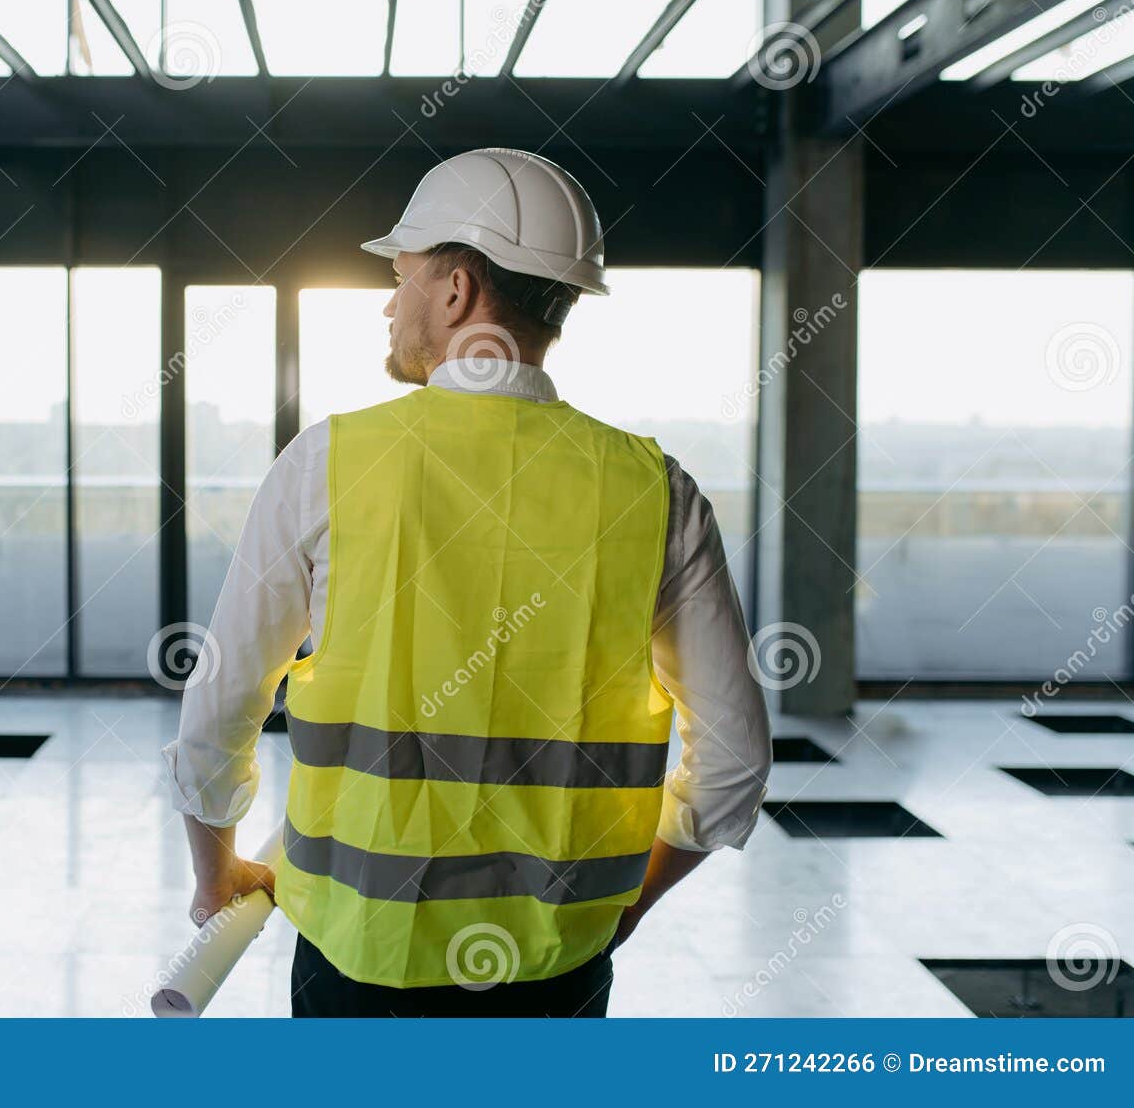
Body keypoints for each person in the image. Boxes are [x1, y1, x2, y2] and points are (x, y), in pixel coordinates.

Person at [164, 147, 772, 1017]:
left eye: (402, 276)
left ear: (454, 293)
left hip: (361, 966)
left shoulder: (327, 464)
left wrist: (215, 868)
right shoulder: (656, 488)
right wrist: (622, 910)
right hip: (558, 974)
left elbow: (220, 705)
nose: (389, 301)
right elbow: (735, 765)